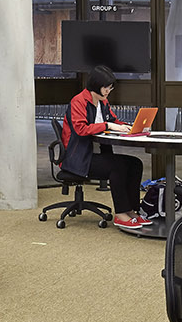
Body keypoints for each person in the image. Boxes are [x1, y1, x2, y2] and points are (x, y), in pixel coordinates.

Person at [61, 65, 147, 228]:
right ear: (95, 85)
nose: (109, 91)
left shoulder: (103, 102)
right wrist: (107, 125)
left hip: (94, 154)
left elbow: (113, 121)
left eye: (110, 87)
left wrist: (130, 127)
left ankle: (132, 211)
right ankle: (121, 213)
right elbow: (81, 129)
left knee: (136, 163)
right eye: (106, 87)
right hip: (78, 158)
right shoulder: (78, 101)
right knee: (117, 166)